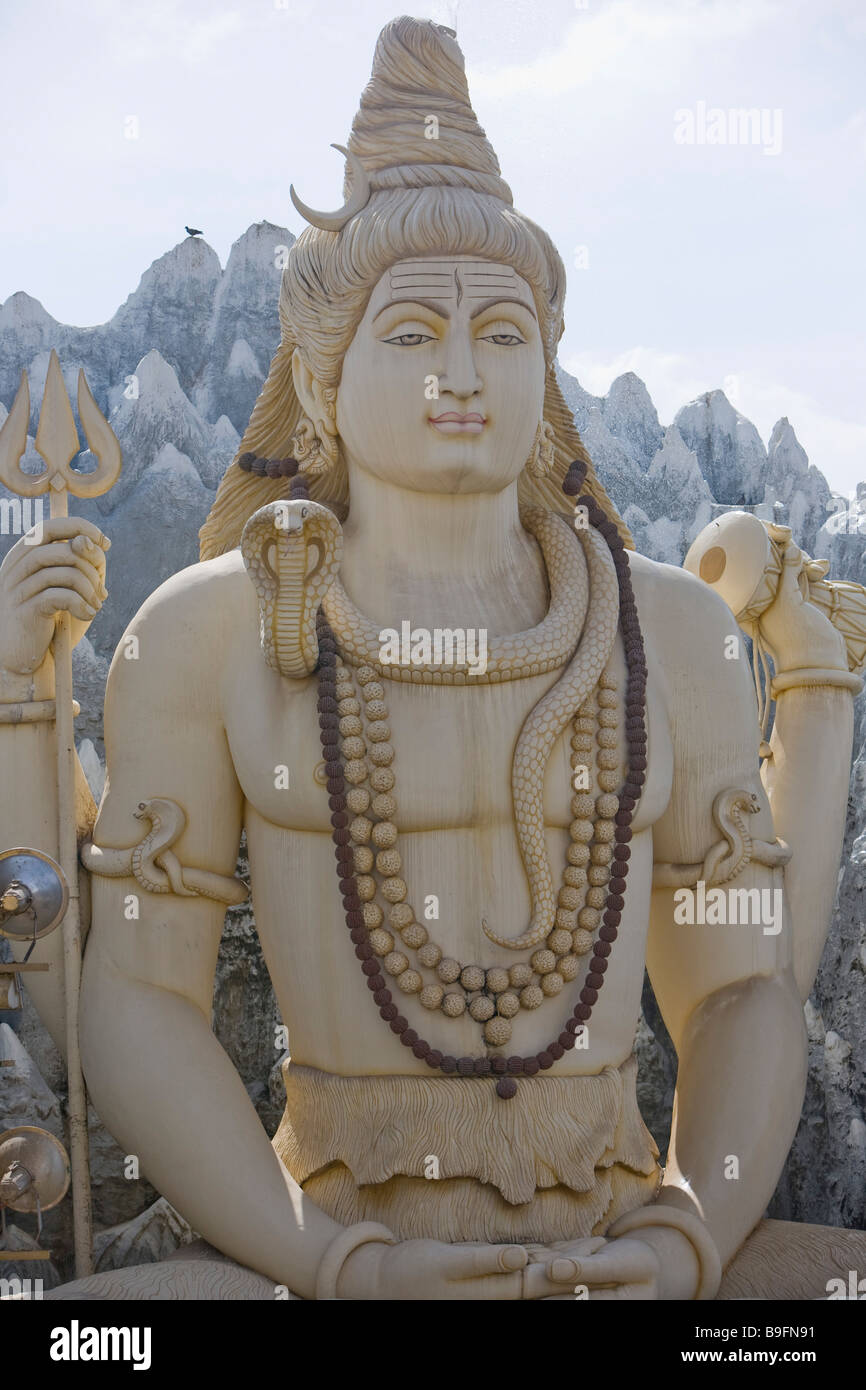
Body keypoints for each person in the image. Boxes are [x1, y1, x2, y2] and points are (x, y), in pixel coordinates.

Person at [1, 16, 858, 1300]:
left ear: (548, 358)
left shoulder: (664, 629)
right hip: (320, 1247)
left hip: (621, 1234)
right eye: (411, 336)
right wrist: (335, 1259)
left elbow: (739, 989)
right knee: (84, 1332)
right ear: (318, 367)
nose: (461, 375)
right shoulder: (211, 630)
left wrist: (684, 1241)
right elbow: (138, 1001)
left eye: (503, 334)